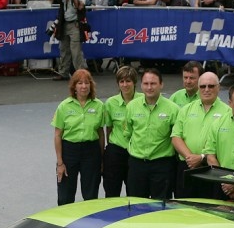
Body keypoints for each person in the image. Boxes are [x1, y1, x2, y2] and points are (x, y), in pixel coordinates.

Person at [171, 71, 228, 198]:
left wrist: (202, 157)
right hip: (187, 166)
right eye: (202, 86)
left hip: (211, 169)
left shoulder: (227, 112)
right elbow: (176, 137)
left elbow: (226, 144)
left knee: (208, 210)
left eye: (211, 86)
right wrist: (190, 157)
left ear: (218, 88)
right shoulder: (186, 110)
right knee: (184, 210)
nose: (206, 89)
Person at [52, 69, 105, 205]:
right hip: (69, 151)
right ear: (74, 86)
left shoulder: (99, 106)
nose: (84, 86)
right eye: (80, 83)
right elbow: (58, 135)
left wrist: (102, 157)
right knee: (65, 196)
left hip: (91, 151)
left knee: (90, 194)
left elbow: (100, 133)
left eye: (87, 83)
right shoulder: (63, 106)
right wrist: (60, 163)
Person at [125, 69, 179, 200]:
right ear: (141, 85)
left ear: (161, 85)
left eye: (153, 83)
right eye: (146, 83)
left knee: (161, 206)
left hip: (162, 166)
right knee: (135, 206)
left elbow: (176, 137)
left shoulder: (173, 109)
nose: (149, 87)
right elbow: (128, 133)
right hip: (137, 165)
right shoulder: (131, 106)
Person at [102, 66, 143, 198]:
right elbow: (109, 128)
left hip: (136, 152)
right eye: (121, 82)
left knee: (135, 192)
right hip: (116, 152)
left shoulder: (143, 100)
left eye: (128, 81)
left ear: (134, 82)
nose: (125, 85)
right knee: (112, 191)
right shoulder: (110, 103)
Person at [50, 0, 87, 80]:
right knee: (64, 49)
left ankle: (81, 75)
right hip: (64, 24)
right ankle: (63, 73)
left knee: (76, 51)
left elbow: (79, 7)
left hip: (75, 24)